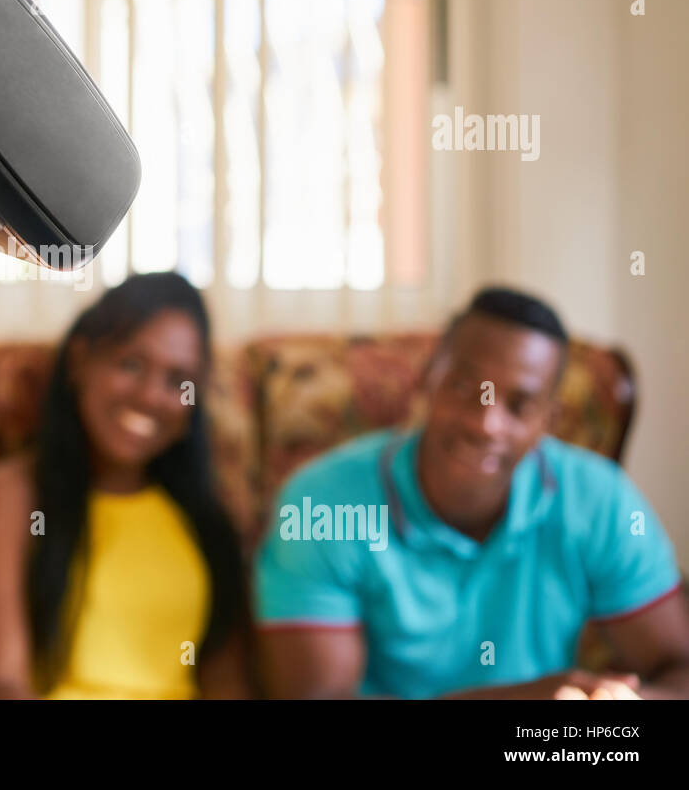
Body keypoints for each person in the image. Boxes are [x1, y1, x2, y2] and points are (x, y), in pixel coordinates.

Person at [256, 286, 689, 699]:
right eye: (466, 388)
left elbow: (677, 668)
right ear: (428, 380)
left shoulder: (599, 500)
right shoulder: (322, 504)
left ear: (550, 420)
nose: (485, 424)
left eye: (519, 406)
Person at [0, 272, 250, 698]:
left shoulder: (206, 518)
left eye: (176, 381)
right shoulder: (13, 495)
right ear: (80, 361)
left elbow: (228, 682)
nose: (150, 396)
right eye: (130, 364)